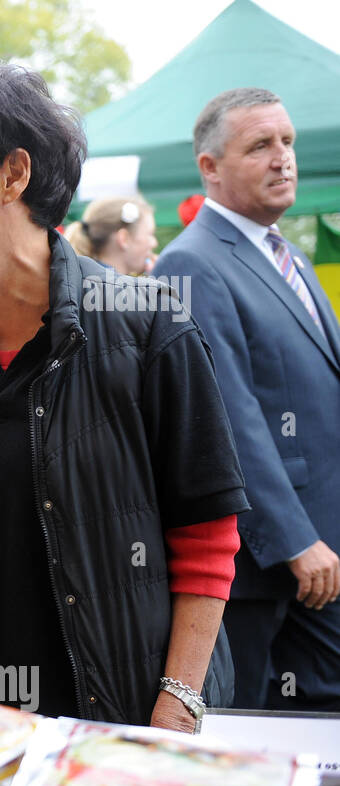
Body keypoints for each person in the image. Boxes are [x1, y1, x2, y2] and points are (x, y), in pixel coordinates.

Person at [0, 66, 249, 731]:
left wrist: (176, 704)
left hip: (108, 716)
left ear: (12, 174)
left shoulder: (147, 325)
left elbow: (207, 535)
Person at [153, 88, 340, 711]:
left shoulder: (293, 257)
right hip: (270, 563)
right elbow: (228, 416)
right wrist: (293, 540)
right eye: (261, 145)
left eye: (287, 141)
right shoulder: (189, 264)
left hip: (319, 547)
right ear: (209, 167)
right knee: (252, 726)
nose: (283, 157)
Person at [64, 196, 158, 275]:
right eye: (150, 234)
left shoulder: (85, 278)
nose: (154, 243)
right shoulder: (117, 288)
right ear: (124, 239)